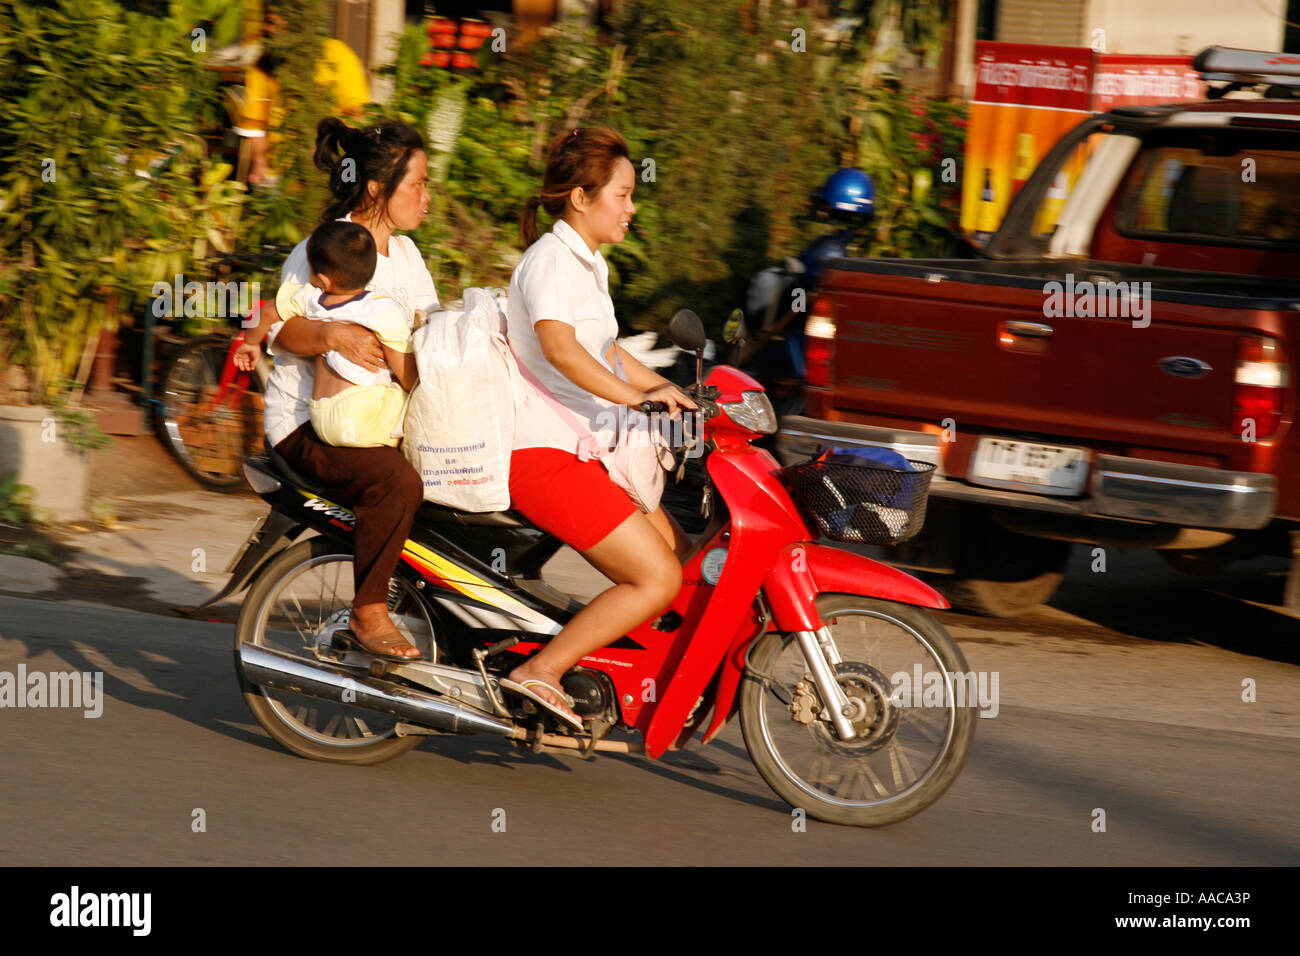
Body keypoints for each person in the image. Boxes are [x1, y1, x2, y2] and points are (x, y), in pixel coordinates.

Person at [500, 126, 697, 730]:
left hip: (586, 451)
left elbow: (607, 352)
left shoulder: (587, 264)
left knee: (684, 559)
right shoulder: (549, 262)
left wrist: (674, 393)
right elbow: (561, 350)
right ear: (581, 197)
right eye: (623, 195)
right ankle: (540, 670)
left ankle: (635, 681)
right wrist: (637, 400)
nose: (632, 208)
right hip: (543, 456)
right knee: (657, 577)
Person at [256, 117, 437, 661]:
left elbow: (429, 332)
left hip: (375, 422)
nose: (427, 197)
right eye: (417, 184)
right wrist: (331, 334)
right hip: (308, 426)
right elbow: (277, 328)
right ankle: (368, 611)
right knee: (398, 483)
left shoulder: (406, 256)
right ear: (377, 188)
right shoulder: (327, 247)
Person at [236, 221, 416, 449]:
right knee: (408, 399)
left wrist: (250, 344)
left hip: (320, 416)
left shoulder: (308, 297)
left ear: (323, 280)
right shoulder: (382, 310)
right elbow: (408, 377)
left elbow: (266, 313)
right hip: (360, 419)